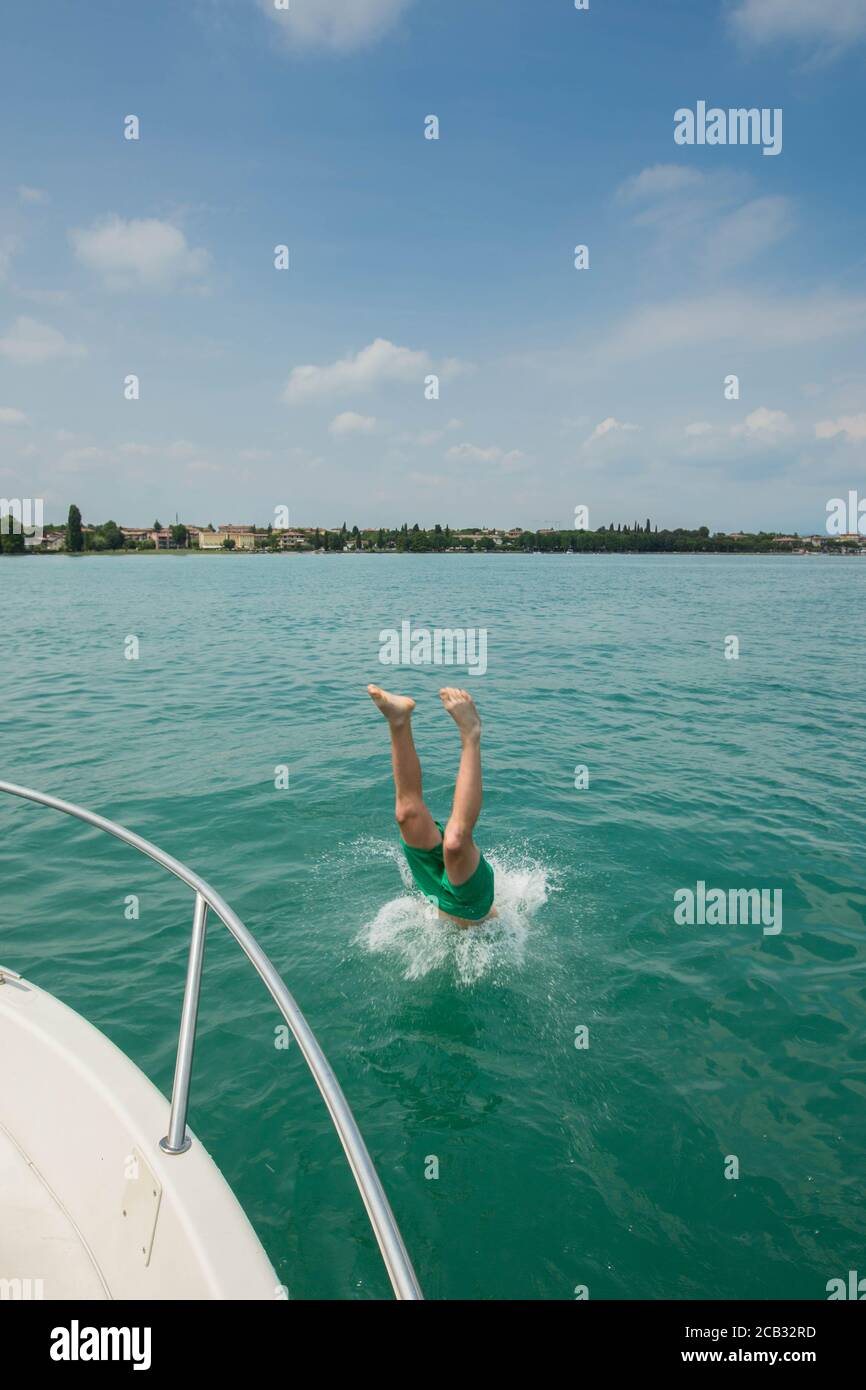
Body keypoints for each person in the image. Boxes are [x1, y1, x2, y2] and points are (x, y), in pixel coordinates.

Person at [367, 684, 496, 927]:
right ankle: (398, 719)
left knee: (455, 842)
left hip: (473, 908)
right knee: (407, 815)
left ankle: (471, 733)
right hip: (437, 894)